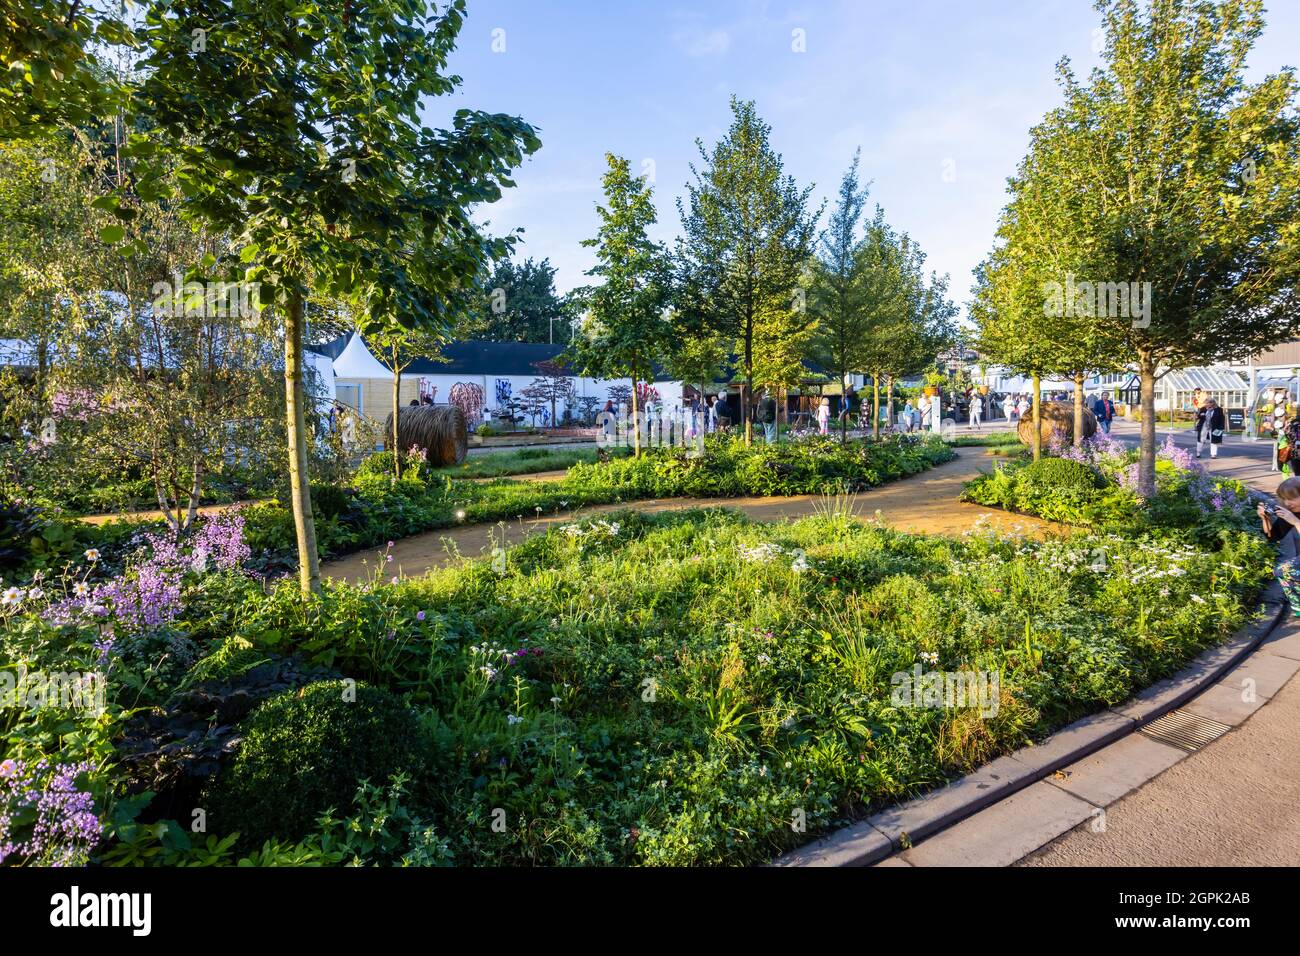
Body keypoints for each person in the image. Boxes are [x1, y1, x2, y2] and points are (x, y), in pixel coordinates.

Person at [1259, 477, 1300, 616]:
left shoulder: (1292, 516)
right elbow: (1273, 536)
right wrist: (1266, 519)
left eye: (1292, 498)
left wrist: (1296, 522)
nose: (1287, 503)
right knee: (1282, 570)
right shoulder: (1291, 512)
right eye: (1284, 498)